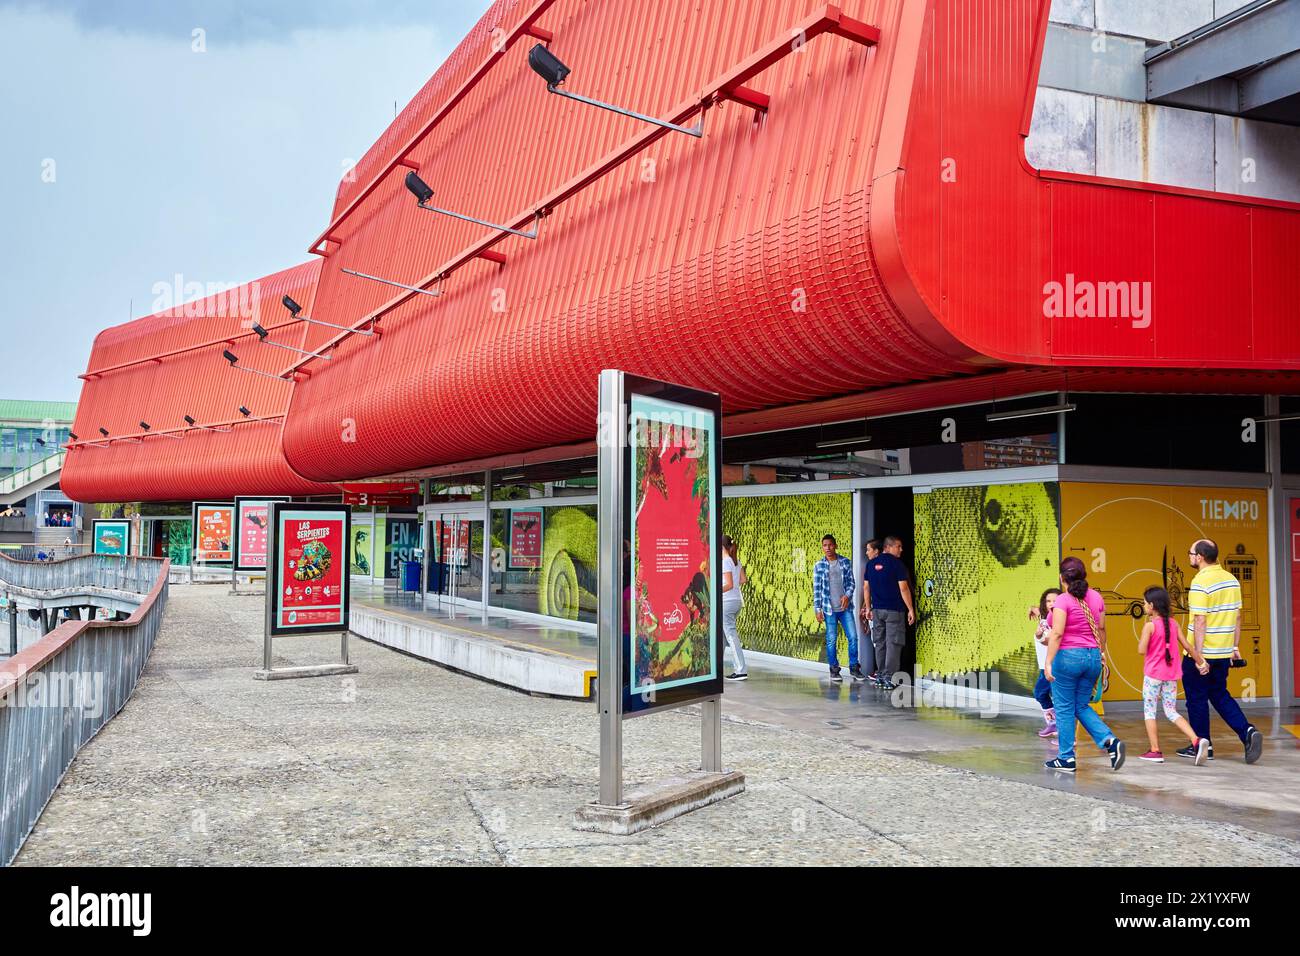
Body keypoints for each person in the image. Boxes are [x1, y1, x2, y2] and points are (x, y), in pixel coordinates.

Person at [1179, 539, 1263, 763]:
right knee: (1219, 694)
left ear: (1200, 557)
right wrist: (1235, 646)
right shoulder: (1232, 580)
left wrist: (1198, 656)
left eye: (1191, 553)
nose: (1189, 557)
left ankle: (1203, 745)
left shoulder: (1200, 582)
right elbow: (1237, 616)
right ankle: (1247, 732)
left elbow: (1200, 620)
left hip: (1202, 653)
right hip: (1224, 652)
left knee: (1196, 698)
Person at [1044, 556, 1125, 772]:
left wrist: (1048, 661)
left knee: (1064, 707)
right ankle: (1110, 742)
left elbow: (1057, 632)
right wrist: (1102, 653)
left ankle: (1066, 757)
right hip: (1092, 658)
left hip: (1068, 659)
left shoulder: (1063, 600)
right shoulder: (1097, 597)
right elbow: (1102, 630)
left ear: (1062, 578)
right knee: (1080, 705)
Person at [1137, 585, 1209, 764]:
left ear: (1152, 606)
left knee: (1149, 712)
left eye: (1145, 603)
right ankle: (1196, 740)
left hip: (1153, 675)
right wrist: (1200, 662)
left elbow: (1141, 650)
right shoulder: (1174, 624)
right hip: (1171, 675)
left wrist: (1145, 635)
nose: (1144, 606)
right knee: (1171, 711)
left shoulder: (1150, 626)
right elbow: (1187, 646)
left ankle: (1155, 750)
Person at [863, 535, 914, 690]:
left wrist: (868, 607)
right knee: (893, 644)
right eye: (898, 546)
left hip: (877, 611)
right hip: (894, 611)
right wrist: (911, 609)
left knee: (880, 643)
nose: (901, 549)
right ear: (888, 547)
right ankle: (889, 678)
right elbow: (903, 588)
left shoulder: (871, 565)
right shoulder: (897, 564)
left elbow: (866, 587)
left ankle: (880, 676)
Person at [813, 534, 862, 682]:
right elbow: (816, 589)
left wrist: (847, 595)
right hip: (829, 609)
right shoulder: (818, 565)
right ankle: (834, 670)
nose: (827, 548)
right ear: (822, 547)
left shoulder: (845, 562)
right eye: (824, 545)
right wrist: (817, 609)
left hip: (845, 608)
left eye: (830, 545)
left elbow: (852, 583)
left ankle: (854, 668)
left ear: (835, 546)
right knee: (831, 640)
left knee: (853, 637)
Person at [1027, 587, 1061, 737]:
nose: (1051, 603)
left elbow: (1050, 640)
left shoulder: (1058, 620)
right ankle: (1054, 724)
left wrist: (1039, 636)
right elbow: (1037, 610)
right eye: (1048, 601)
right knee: (1041, 693)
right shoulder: (1045, 617)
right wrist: (1032, 609)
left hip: (1053, 666)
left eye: (1055, 600)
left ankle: (1060, 727)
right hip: (1044, 666)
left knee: (1043, 694)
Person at [720, 534, 748, 681]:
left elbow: (729, 584)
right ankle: (717, 668)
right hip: (736, 602)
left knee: (730, 635)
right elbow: (743, 580)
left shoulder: (725, 562)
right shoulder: (736, 561)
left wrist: (715, 591)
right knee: (724, 636)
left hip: (726, 603)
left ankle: (741, 670)